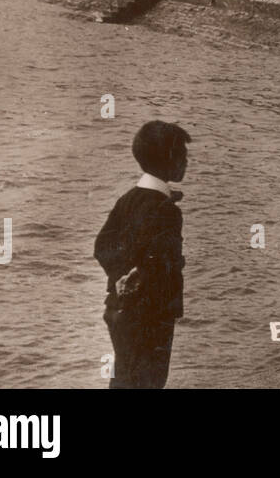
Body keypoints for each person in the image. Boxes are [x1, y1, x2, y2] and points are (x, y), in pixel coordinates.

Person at [94, 121, 191, 389]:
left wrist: (124, 275)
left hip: (119, 309)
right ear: (170, 160)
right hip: (152, 315)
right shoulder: (166, 209)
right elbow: (163, 262)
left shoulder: (127, 199)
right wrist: (145, 271)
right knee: (150, 380)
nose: (187, 161)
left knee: (124, 376)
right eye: (183, 155)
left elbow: (102, 246)